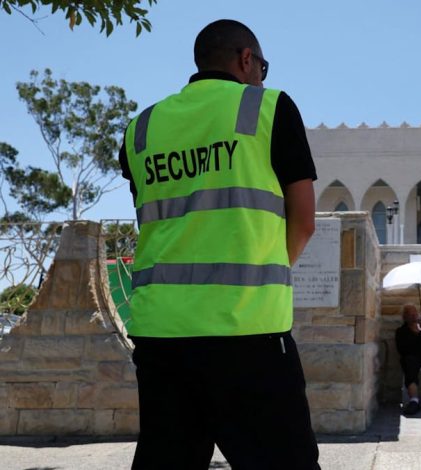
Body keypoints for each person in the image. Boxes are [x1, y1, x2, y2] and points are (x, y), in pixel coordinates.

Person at [118, 20, 320, 468]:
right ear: (246, 59)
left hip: (160, 336)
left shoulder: (141, 128)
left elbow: (158, 221)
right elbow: (304, 221)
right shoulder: (269, 108)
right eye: (262, 67)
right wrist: (264, 274)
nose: (262, 77)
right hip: (248, 335)